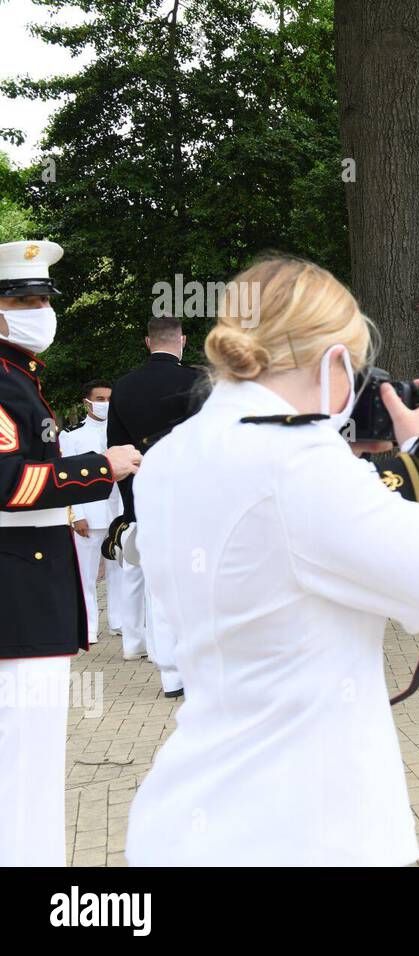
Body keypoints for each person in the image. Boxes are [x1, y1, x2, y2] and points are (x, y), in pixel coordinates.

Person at [125, 257, 419, 865]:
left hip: (188, 818)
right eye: (352, 369)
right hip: (305, 827)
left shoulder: (174, 454)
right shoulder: (297, 464)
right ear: (333, 360)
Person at [0, 239, 141, 866]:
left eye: (42, 299)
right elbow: (10, 483)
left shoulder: (20, 375)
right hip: (18, 598)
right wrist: (98, 468)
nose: (40, 311)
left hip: (28, 594)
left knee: (29, 757)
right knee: (22, 757)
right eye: (25, 300)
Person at [105, 315, 201, 698]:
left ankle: (170, 675)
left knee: (158, 586)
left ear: (148, 342)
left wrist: (130, 510)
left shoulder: (124, 388)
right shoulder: (199, 382)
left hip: (147, 495)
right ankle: (198, 668)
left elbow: (118, 454)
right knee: (197, 582)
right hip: (195, 496)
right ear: (183, 340)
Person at [58, 379, 144, 656]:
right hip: (89, 514)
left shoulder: (121, 431)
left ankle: (118, 621)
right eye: (100, 398)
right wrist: (76, 515)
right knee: (86, 575)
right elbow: (66, 479)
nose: (105, 403)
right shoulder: (71, 435)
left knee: (119, 571)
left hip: (118, 513)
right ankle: (88, 626)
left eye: (109, 399)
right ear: (87, 402)